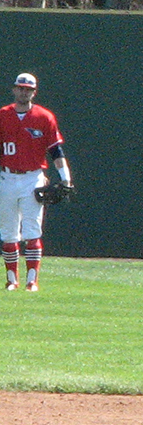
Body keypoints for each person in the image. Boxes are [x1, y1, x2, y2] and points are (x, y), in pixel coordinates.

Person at [0, 73, 73, 292]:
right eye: (21, 88)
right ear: (14, 90)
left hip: (33, 177)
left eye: (28, 89)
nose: (24, 92)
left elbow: (55, 150)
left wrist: (65, 177)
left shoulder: (44, 117)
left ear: (34, 92)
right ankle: (12, 280)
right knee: (8, 232)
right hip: (6, 177)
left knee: (32, 230)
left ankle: (32, 281)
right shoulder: (3, 115)